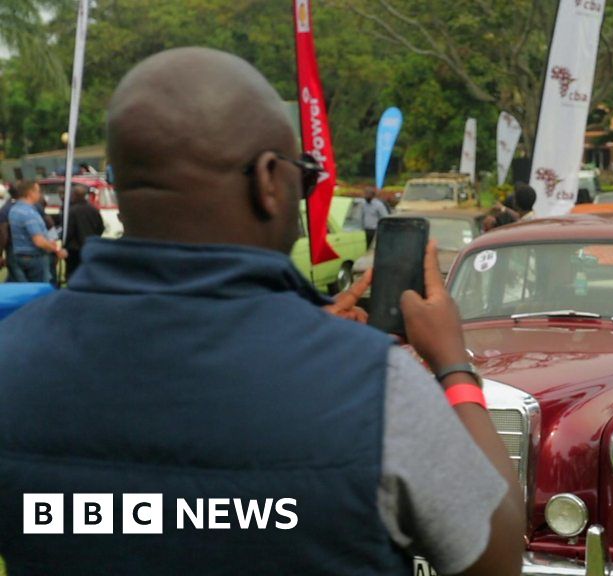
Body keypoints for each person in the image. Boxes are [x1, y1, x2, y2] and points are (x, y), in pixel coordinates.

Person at [0, 47, 523, 575]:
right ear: (270, 181)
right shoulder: (371, 387)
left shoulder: (12, 359)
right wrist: (453, 364)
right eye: (306, 175)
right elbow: (493, 557)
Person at [7, 179, 66, 283]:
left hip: (19, 255)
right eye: (38, 191)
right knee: (39, 290)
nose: (40, 194)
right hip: (34, 258)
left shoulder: (14, 210)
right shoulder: (29, 213)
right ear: (30, 193)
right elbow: (38, 241)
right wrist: (56, 250)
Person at [64, 183, 106, 279]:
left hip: (74, 249)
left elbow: (69, 230)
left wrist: (64, 243)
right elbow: (101, 227)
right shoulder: (94, 210)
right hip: (90, 246)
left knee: (73, 274)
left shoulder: (72, 211)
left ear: (74, 195)